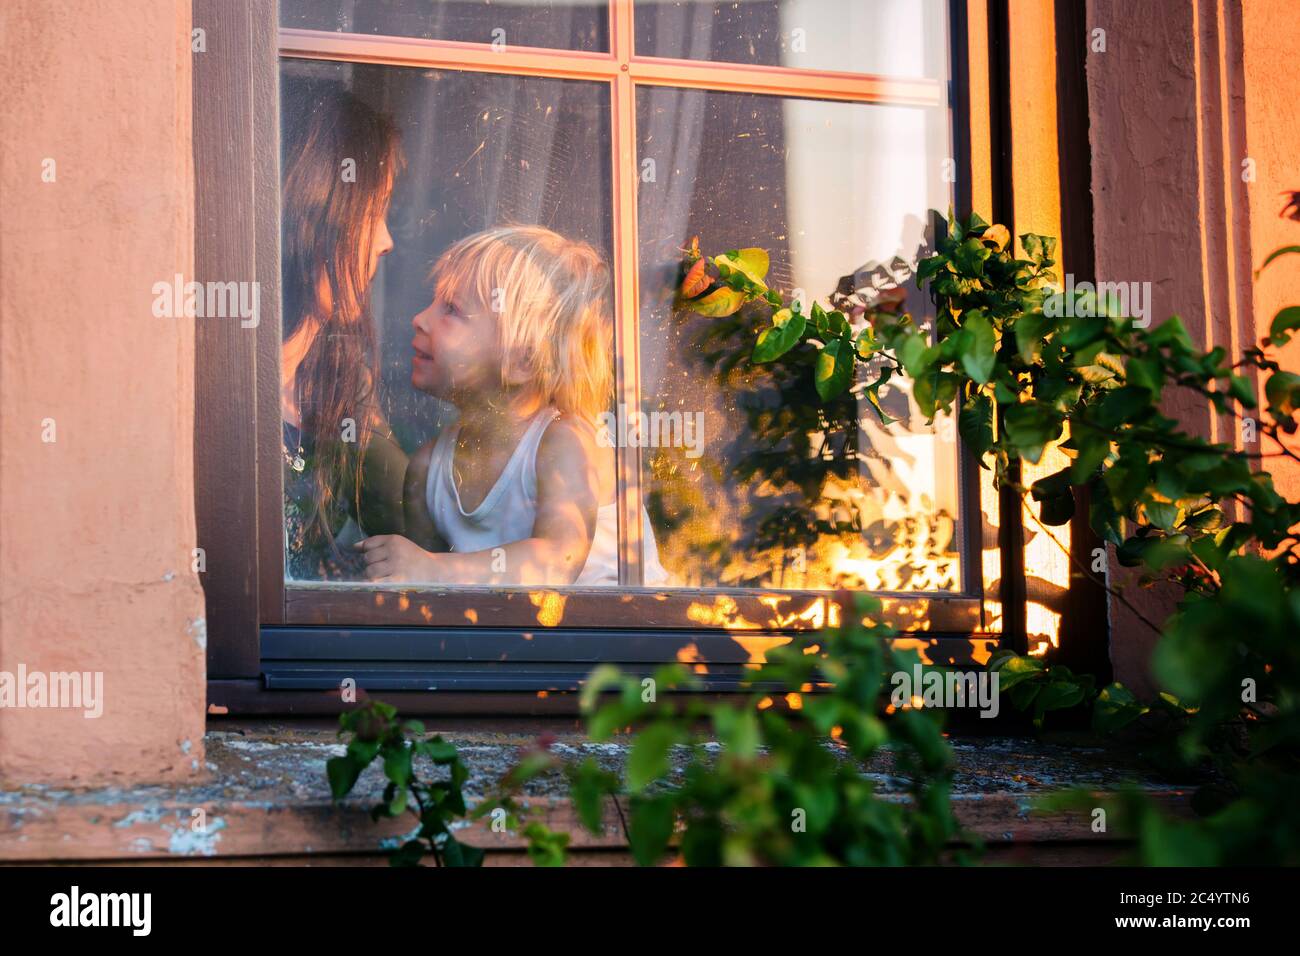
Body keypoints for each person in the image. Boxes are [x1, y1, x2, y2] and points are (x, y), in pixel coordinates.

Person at [356, 225, 669, 586]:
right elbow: (428, 594)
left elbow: (557, 561)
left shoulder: (564, 442)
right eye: (433, 302)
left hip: (623, 638)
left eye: (452, 309)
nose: (420, 319)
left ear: (523, 360)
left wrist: (433, 568)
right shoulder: (427, 471)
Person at [280, 87, 408, 580]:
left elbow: (409, 520)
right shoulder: (225, 380)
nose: (386, 240)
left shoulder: (335, 380)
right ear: (313, 214)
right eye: (373, 213)